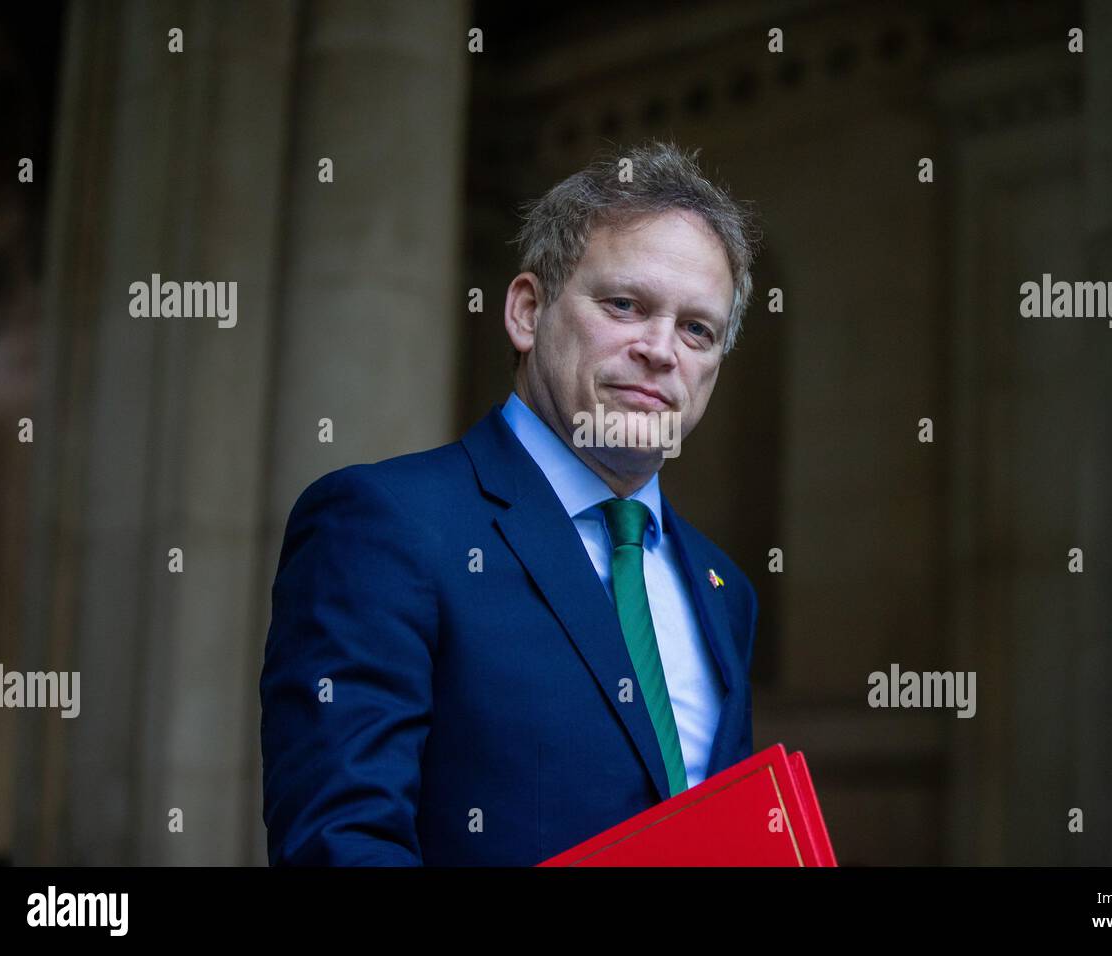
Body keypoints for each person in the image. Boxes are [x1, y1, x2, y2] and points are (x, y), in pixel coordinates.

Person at [260, 140, 762, 865]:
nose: (662, 350)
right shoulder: (382, 525)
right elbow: (341, 844)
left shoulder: (726, 592)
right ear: (527, 311)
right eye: (625, 305)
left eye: (697, 329)